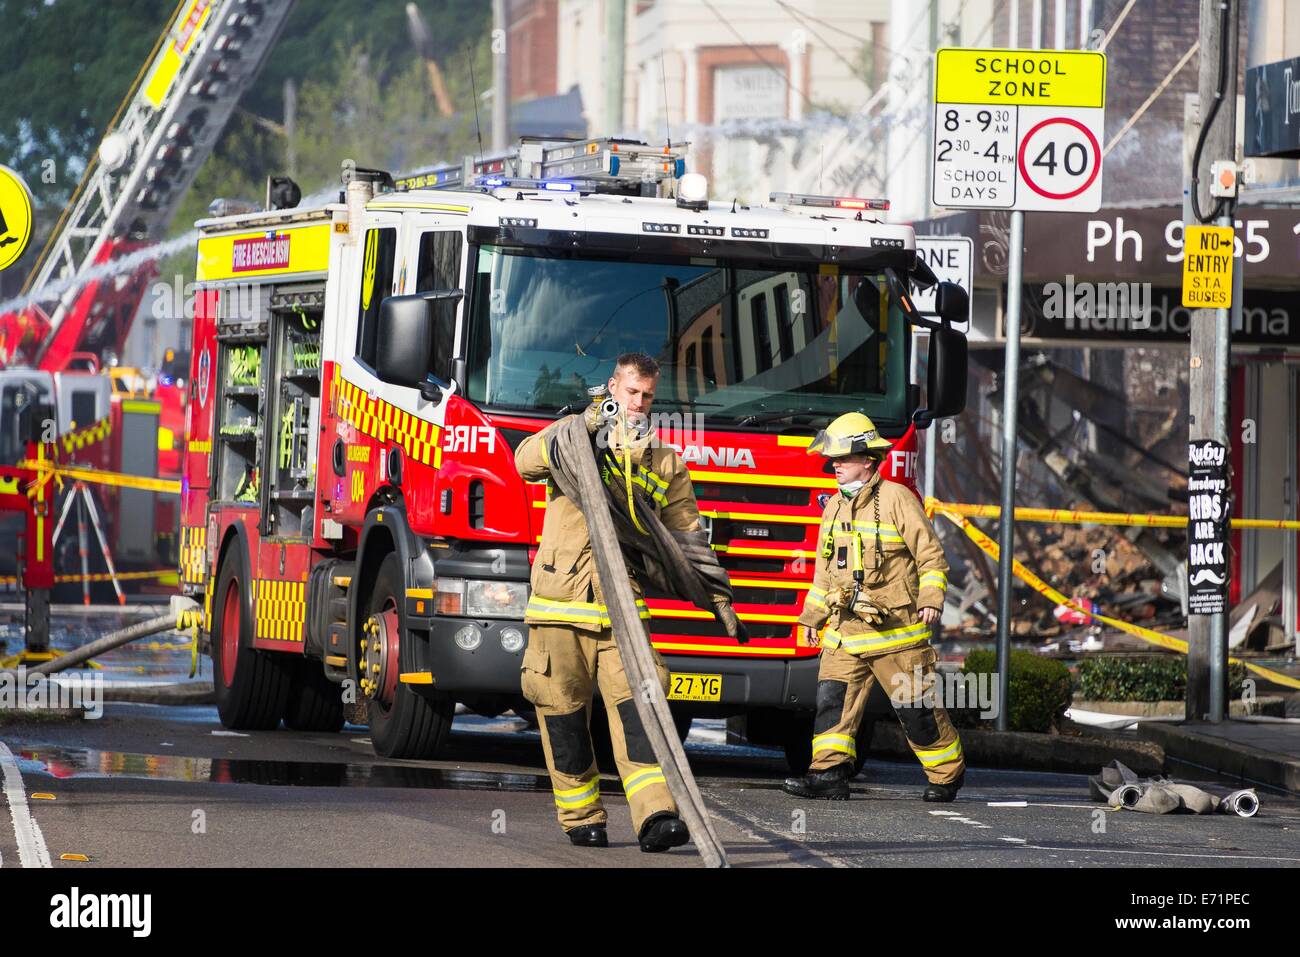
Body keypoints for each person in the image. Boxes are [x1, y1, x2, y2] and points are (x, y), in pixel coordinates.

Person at [514, 352, 724, 850]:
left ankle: (656, 817)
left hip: (622, 611)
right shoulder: (573, 438)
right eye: (631, 392)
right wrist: (579, 427)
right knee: (563, 715)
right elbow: (524, 461)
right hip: (559, 605)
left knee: (642, 712)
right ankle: (582, 816)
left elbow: (688, 537)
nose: (639, 403)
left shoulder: (665, 462)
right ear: (612, 387)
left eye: (649, 396)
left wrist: (718, 595)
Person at [782, 412, 965, 802]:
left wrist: (931, 600)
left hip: (895, 633)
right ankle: (827, 774)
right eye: (833, 460)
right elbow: (825, 572)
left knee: (917, 712)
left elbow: (931, 558)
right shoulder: (832, 507)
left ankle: (946, 775)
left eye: (844, 459)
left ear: (868, 460)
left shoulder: (897, 499)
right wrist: (812, 618)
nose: (835, 466)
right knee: (833, 706)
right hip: (845, 631)